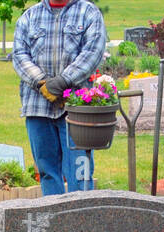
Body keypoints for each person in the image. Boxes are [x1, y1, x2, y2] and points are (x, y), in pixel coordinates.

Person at [11, 0, 107, 195]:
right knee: (47, 171)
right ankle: (54, 220)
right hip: (37, 106)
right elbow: (20, 55)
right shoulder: (29, 17)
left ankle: (82, 219)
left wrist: (63, 81)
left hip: (76, 108)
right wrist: (41, 82)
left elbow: (92, 52)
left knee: (80, 172)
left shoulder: (88, 13)